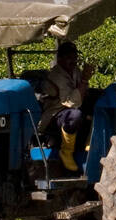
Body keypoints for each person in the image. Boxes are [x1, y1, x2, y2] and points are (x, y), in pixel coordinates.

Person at [39, 40, 92, 173]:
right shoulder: (56, 76)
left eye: (75, 58)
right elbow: (72, 102)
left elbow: (83, 92)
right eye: (69, 58)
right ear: (60, 59)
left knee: (97, 102)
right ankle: (66, 152)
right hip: (54, 115)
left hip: (69, 109)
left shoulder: (75, 71)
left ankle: (90, 142)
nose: (73, 61)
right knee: (75, 115)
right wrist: (85, 80)